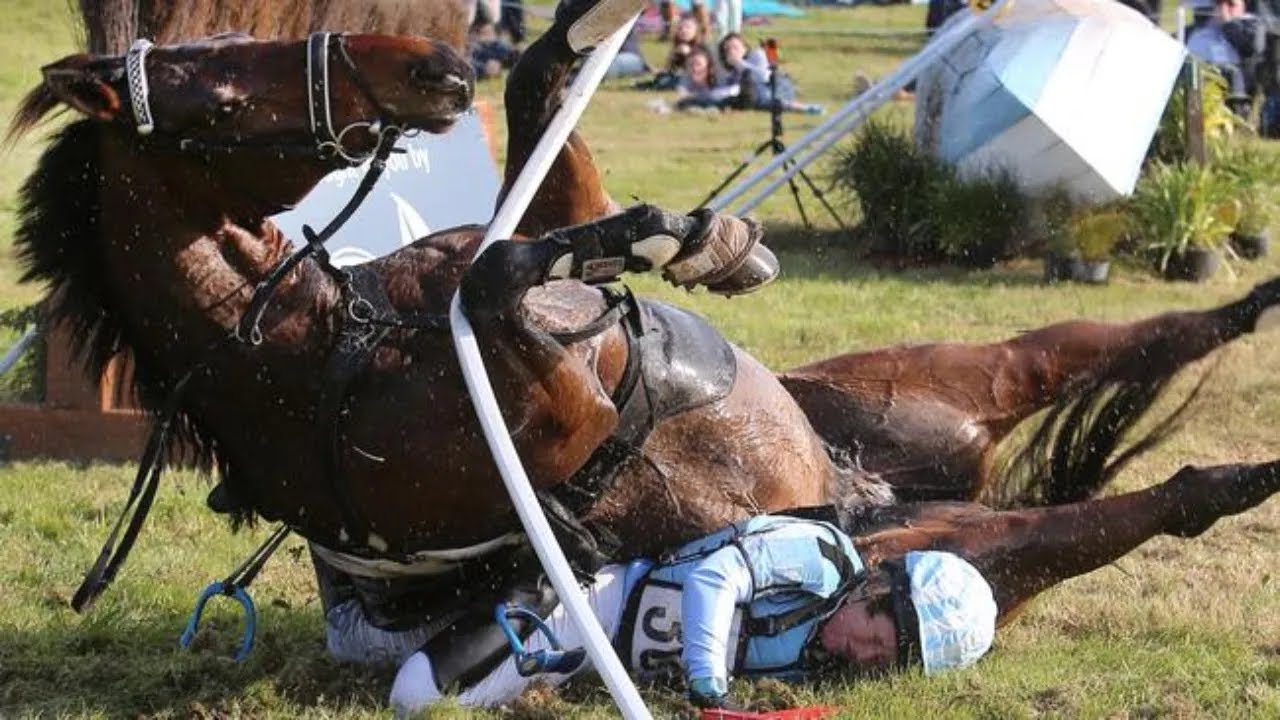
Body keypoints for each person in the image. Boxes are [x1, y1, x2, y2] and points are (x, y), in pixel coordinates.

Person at [378, 514, 997, 715]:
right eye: (877, 639)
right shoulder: (820, 557)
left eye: (883, 661)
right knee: (412, 695)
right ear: (878, 591)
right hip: (586, 607)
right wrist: (710, 690)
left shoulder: (828, 667)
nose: (863, 656)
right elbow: (715, 576)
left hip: (593, 670)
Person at [716, 33, 823, 114]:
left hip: (776, 85)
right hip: (758, 95)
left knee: (759, 94)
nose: (732, 51)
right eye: (728, 49)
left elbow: (763, 77)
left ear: (744, 48)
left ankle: (803, 108)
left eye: (735, 47)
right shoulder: (729, 68)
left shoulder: (756, 54)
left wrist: (739, 63)